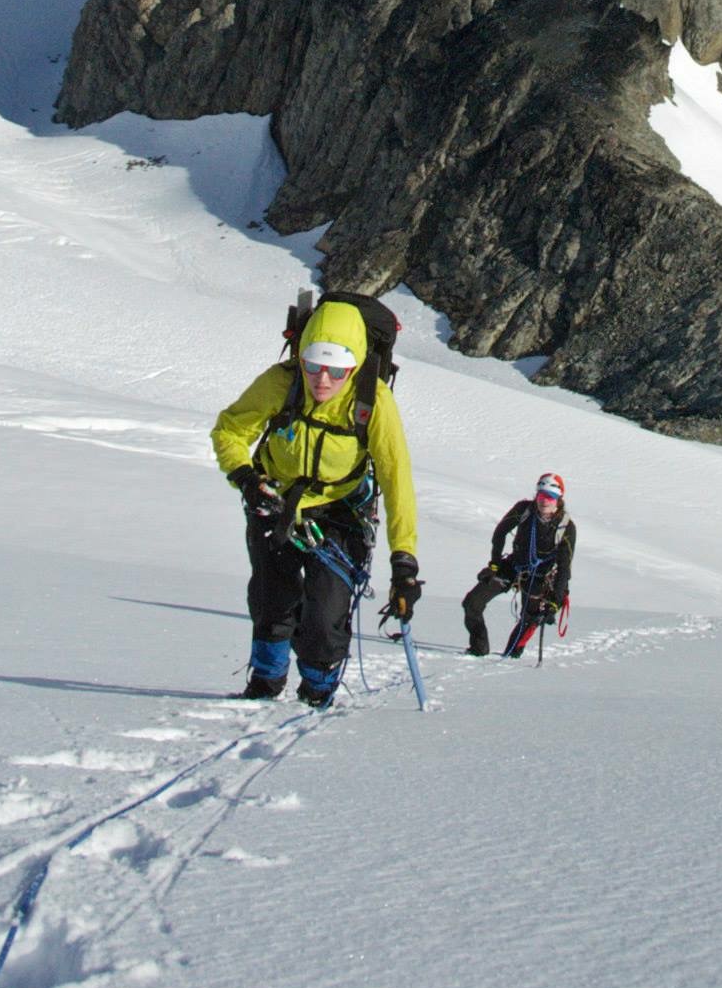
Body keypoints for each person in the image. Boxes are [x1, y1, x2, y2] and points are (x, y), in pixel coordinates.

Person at [211, 295, 420, 706]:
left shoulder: (373, 401)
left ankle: (317, 693)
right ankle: (265, 685)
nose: (322, 381)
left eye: (336, 371)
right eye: (313, 367)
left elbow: (397, 478)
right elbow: (230, 431)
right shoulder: (281, 381)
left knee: (325, 618)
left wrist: (404, 560)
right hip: (274, 503)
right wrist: (248, 480)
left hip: (341, 514)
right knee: (272, 602)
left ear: (355, 365)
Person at [463, 472, 575, 656]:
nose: (544, 501)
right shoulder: (524, 509)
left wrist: (555, 600)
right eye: (541, 495)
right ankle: (478, 649)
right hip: (513, 567)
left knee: (528, 622)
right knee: (472, 603)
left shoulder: (567, 528)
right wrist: (494, 565)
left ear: (558, 499)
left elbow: (564, 568)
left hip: (541, 577)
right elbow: (499, 533)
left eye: (550, 497)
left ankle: (510, 658)